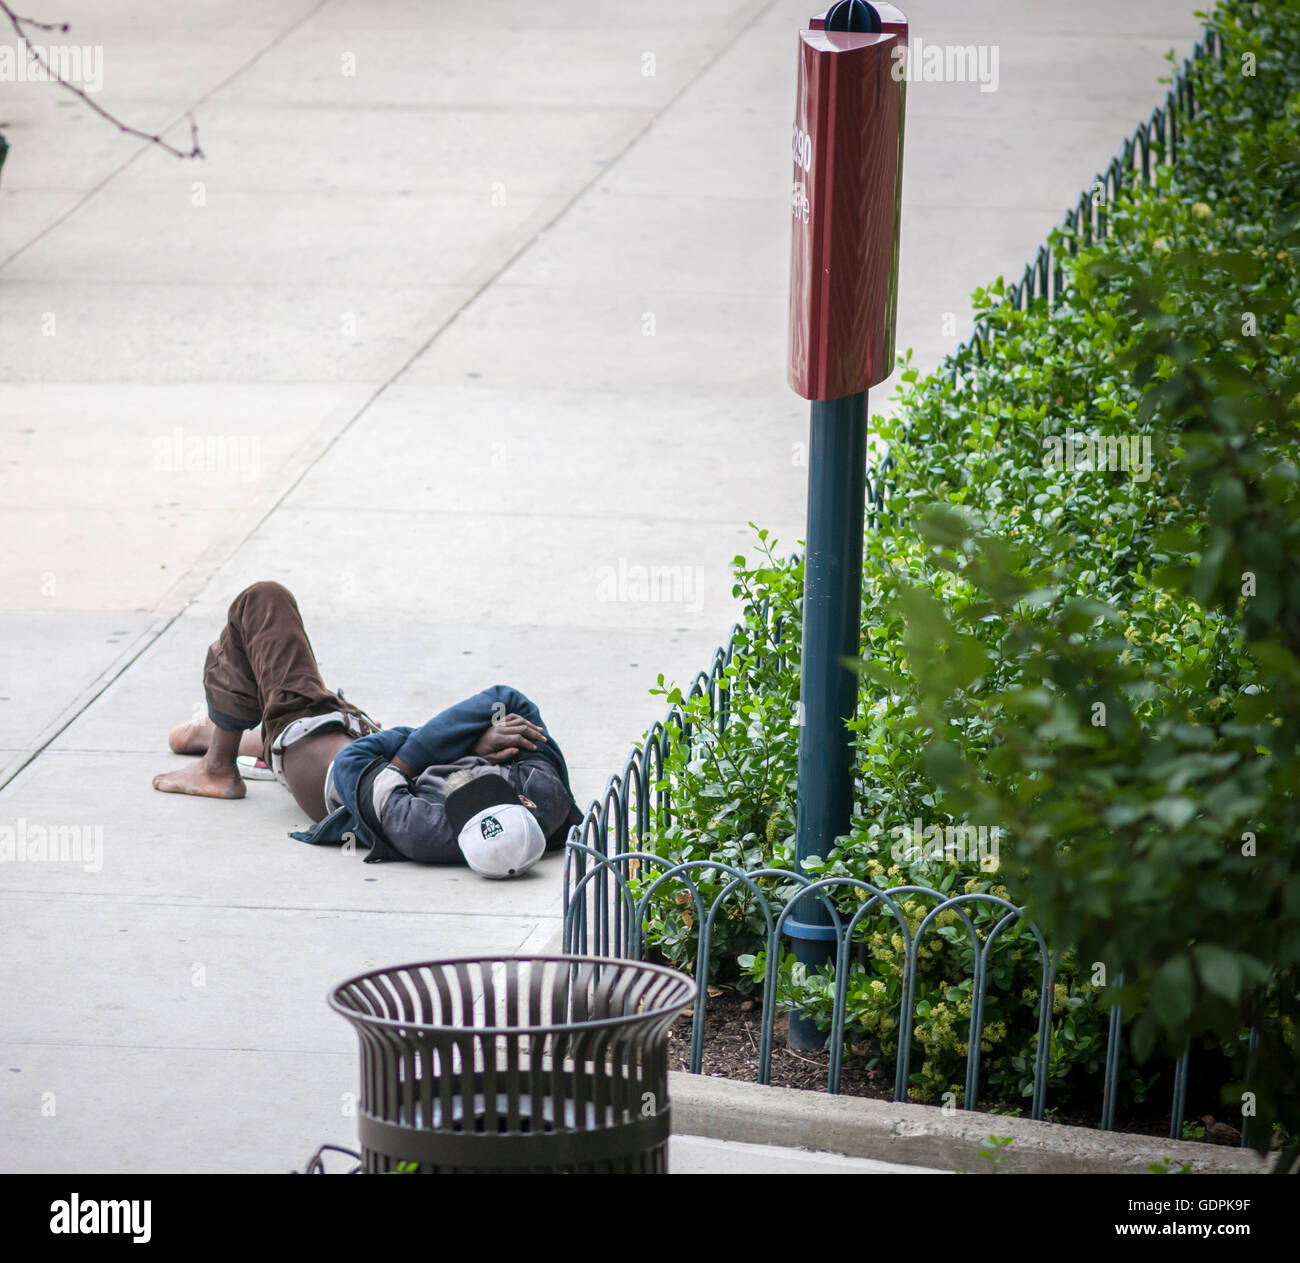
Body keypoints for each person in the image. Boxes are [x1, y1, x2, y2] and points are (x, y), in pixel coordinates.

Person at [154, 581, 580, 879]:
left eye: (463, 801)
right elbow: (511, 701)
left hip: (311, 748)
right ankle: (218, 735)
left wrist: (464, 739)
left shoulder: (420, 828)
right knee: (281, 681)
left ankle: (218, 765)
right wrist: (420, 754)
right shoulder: (545, 798)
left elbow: (360, 762)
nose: (471, 783)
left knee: (264, 601)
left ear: (461, 835)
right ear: (525, 805)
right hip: (356, 736)